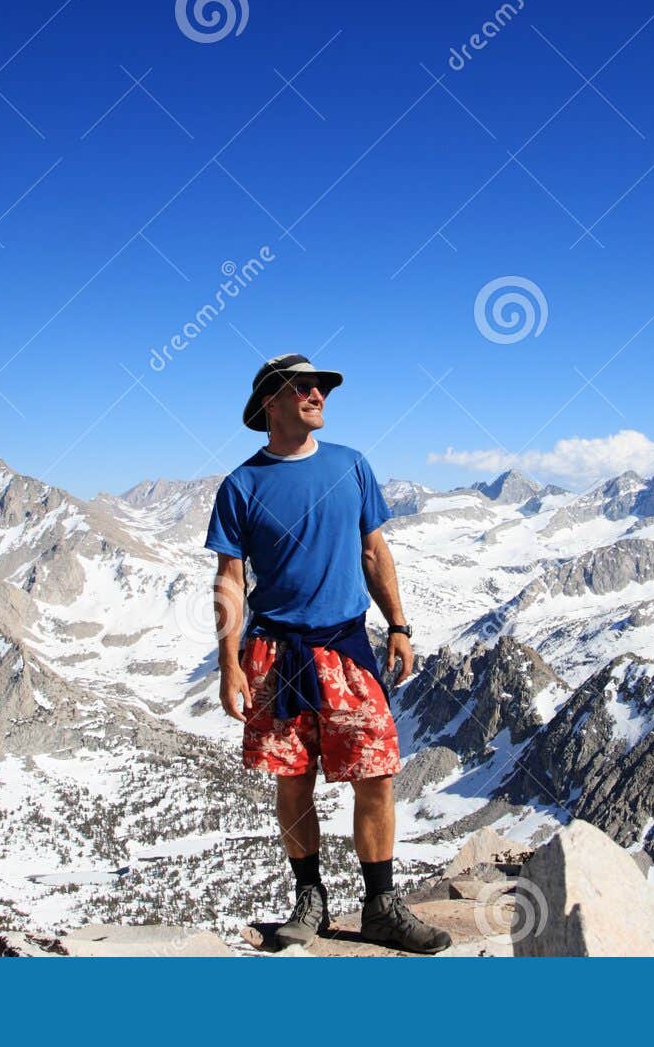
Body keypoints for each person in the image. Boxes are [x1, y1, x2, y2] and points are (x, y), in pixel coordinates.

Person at [205, 353, 451, 954]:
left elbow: (374, 553)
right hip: (275, 653)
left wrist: (398, 623)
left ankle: (381, 906)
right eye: (303, 387)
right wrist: (229, 662)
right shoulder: (241, 485)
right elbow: (231, 579)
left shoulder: (352, 466)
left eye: (322, 387)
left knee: (377, 775)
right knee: (293, 782)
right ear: (270, 401)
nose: (318, 394)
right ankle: (309, 897)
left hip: (346, 647)